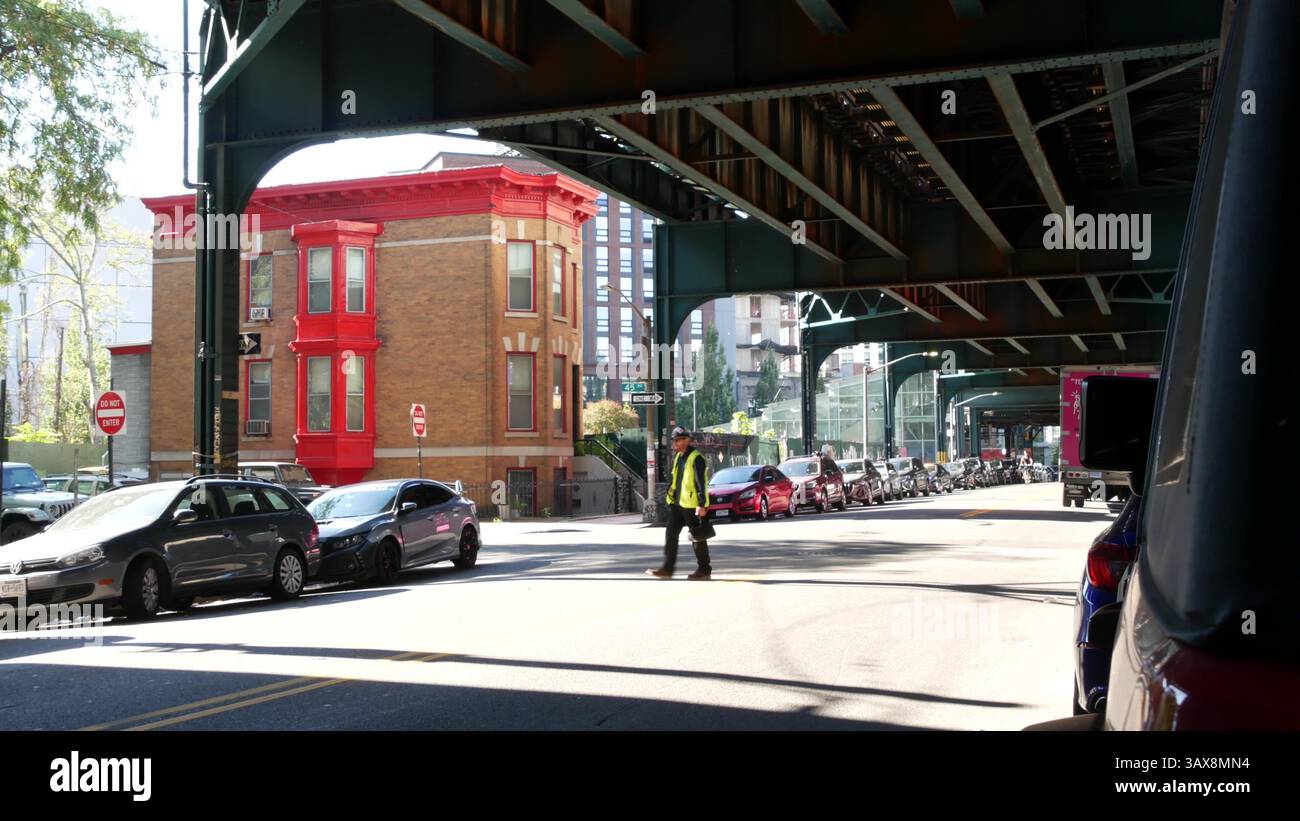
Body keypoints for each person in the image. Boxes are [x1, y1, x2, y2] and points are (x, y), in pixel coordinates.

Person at [647, 427, 712, 580]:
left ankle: (704, 570)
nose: (675, 443)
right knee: (670, 534)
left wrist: (701, 504)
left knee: (697, 537)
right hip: (678, 504)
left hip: (692, 505)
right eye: (674, 440)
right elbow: (676, 480)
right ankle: (667, 569)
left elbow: (700, 482)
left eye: (679, 440)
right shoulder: (679, 457)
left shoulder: (696, 458)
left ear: (687, 440)